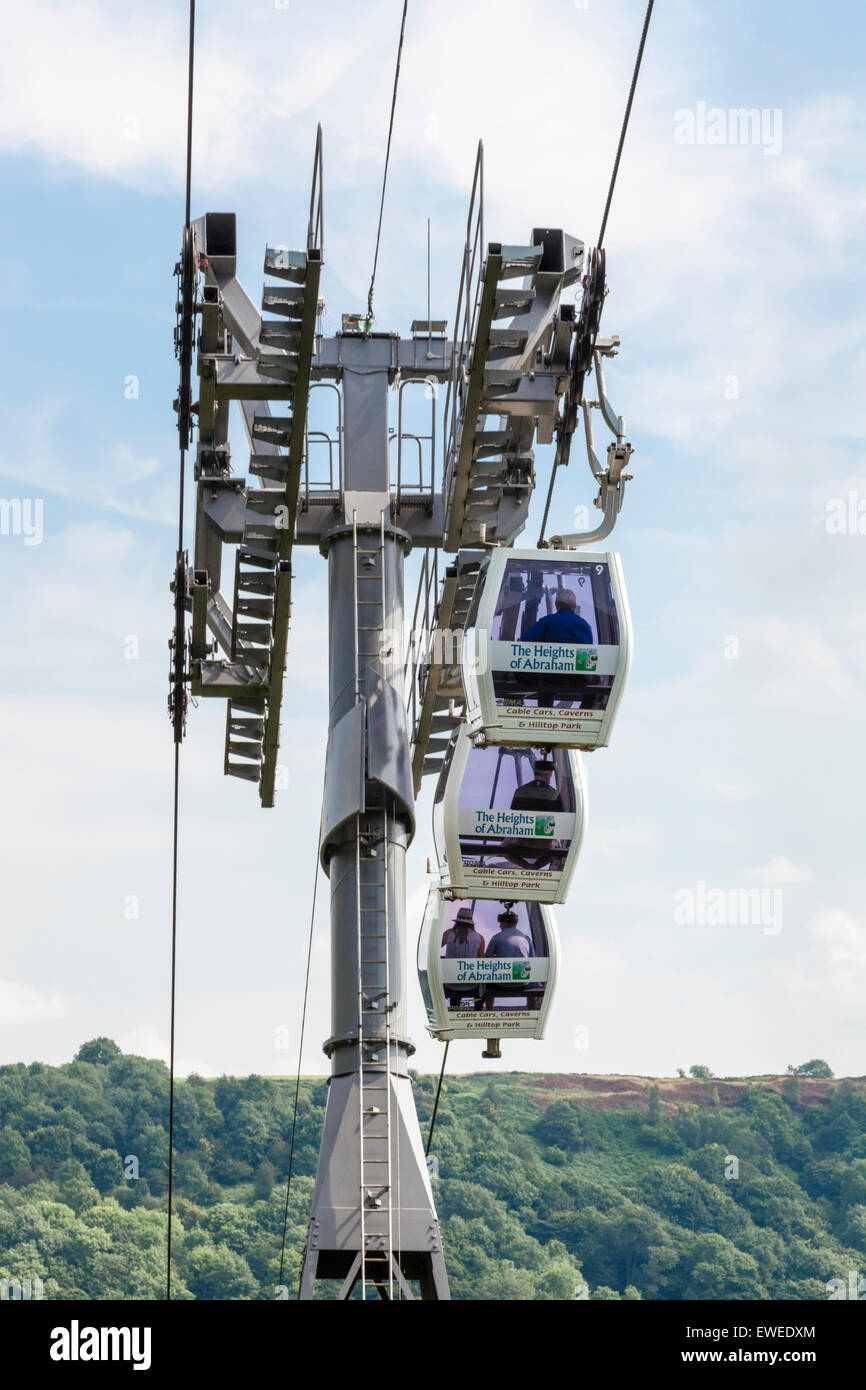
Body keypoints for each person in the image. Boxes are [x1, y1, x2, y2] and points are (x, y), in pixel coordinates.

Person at [502, 760, 565, 870]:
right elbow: (560, 819)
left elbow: (515, 816)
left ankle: (526, 866)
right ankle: (536, 866)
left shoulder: (520, 791)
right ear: (548, 774)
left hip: (520, 839)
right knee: (557, 846)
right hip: (545, 841)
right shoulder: (554, 794)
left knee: (504, 848)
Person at [481, 909, 543, 1012]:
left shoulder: (497, 937)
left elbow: (486, 960)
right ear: (515, 923)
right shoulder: (526, 938)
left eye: (501, 923)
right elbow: (532, 962)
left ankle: (489, 1011)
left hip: (502, 983)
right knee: (531, 979)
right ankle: (531, 1010)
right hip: (522, 982)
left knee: (486, 981)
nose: (500, 926)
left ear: (504, 923)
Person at [519, 588, 593, 645]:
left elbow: (523, 642)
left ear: (556, 605)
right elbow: (589, 657)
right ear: (574, 606)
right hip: (577, 665)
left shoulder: (545, 622)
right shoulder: (585, 626)